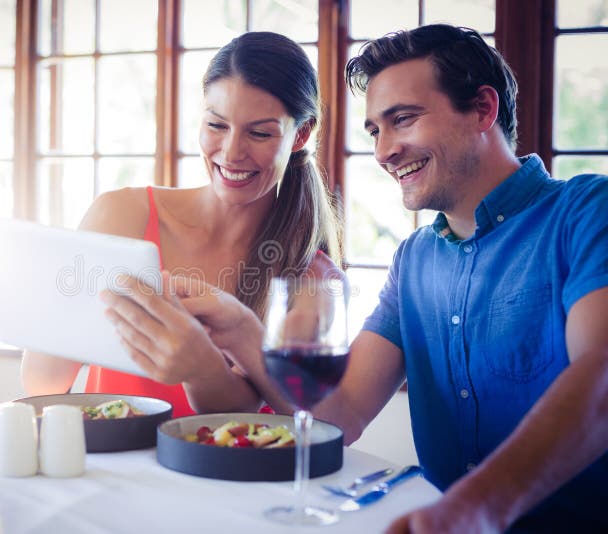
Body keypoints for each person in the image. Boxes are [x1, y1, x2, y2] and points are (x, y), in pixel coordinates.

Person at [164, 24, 608, 532]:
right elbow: (341, 415)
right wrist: (241, 331)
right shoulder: (414, 259)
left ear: (483, 109)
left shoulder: (587, 212)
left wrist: (476, 507)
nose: (385, 151)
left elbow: (602, 377)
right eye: (376, 130)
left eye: (404, 119)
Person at [21, 31, 343, 417]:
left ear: (300, 135)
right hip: (113, 468)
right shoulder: (121, 215)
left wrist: (202, 365)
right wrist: (53, 296)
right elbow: (42, 383)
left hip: (224, 473)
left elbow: (261, 415)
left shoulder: (310, 279)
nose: (231, 152)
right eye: (217, 126)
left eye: (259, 132)